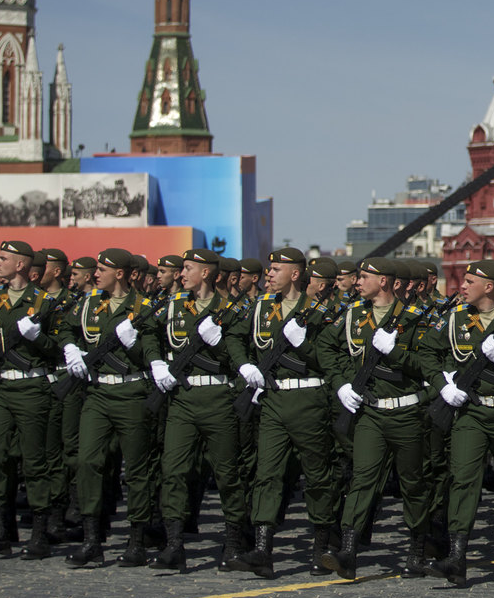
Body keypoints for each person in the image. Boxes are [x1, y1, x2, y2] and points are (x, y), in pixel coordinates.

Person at [319, 257, 439, 580]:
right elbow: (326, 348)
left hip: (405, 412)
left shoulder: (414, 319)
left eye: (364, 277)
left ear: (384, 281)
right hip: (370, 412)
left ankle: (416, 550)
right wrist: (342, 383)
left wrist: (396, 353)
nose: (358, 282)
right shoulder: (354, 315)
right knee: (362, 480)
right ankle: (348, 550)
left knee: (412, 483)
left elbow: (427, 366)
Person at [226, 248, 341, 578]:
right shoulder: (261, 307)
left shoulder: (321, 311)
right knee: (268, 473)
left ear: (295, 274)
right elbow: (234, 337)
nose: (268, 275)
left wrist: (303, 344)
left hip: (309, 399)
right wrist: (244, 363)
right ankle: (263, 549)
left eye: (276, 269)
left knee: (317, 476)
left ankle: (321, 547)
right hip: (273, 400)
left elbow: (328, 358)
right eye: (268, 269)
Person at [420, 260, 494, 587]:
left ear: (490, 286)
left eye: (470, 281)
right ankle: (457, 556)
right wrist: (444, 384)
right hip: (470, 411)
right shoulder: (456, 318)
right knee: (463, 479)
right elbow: (428, 353)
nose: (463, 285)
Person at [141, 248, 248, 571]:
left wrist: (221, 344)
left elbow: (241, 358)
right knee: (173, 470)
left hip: (218, 397)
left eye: (188, 268)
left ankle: (232, 544)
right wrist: (156, 361)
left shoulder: (230, 310)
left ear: (206, 273)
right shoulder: (173, 305)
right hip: (183, 398)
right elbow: (148, 332)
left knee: (227, 474)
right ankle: (174, 543)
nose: (181, 273)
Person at [56, 248, 160, 567]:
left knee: (137, 470)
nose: (95, 273)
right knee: (87, 462)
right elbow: (66, 329)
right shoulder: (88, 303)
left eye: (102, 269)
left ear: (120, 274)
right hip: (98, 393)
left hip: (131, 391)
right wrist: (70, 347)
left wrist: (135, 344)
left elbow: (153, 352)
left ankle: (137, 540)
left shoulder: (143, 308)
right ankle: (91, 539)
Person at [0, 241, 67, 560]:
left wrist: (36, 337)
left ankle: (40, 533)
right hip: (0, 388)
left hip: (31, 388)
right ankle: (0, 530)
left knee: (34, 461)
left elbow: (57, 350)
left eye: (3, 259)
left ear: (21, 266)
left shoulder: (43, 302)